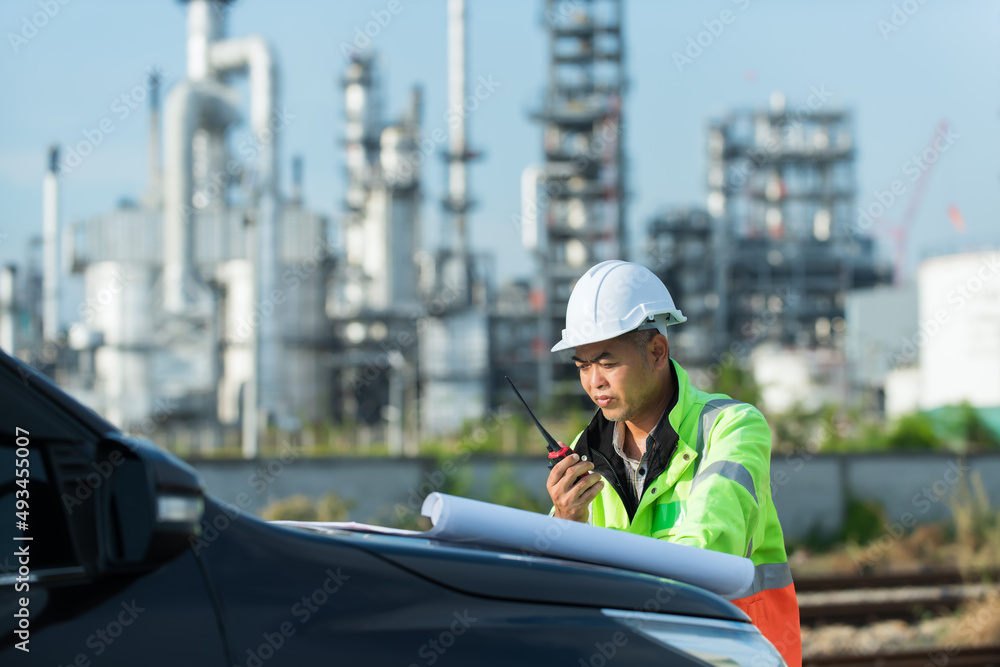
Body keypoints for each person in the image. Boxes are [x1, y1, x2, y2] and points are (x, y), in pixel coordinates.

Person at [545, 259, 801, 667]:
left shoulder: (730, 428)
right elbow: (556, 591)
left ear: (657, 352)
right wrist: (565, 523)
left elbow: (710, 554)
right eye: (583, 366)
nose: (594, 382)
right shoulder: (585, 451)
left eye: (607, 363)